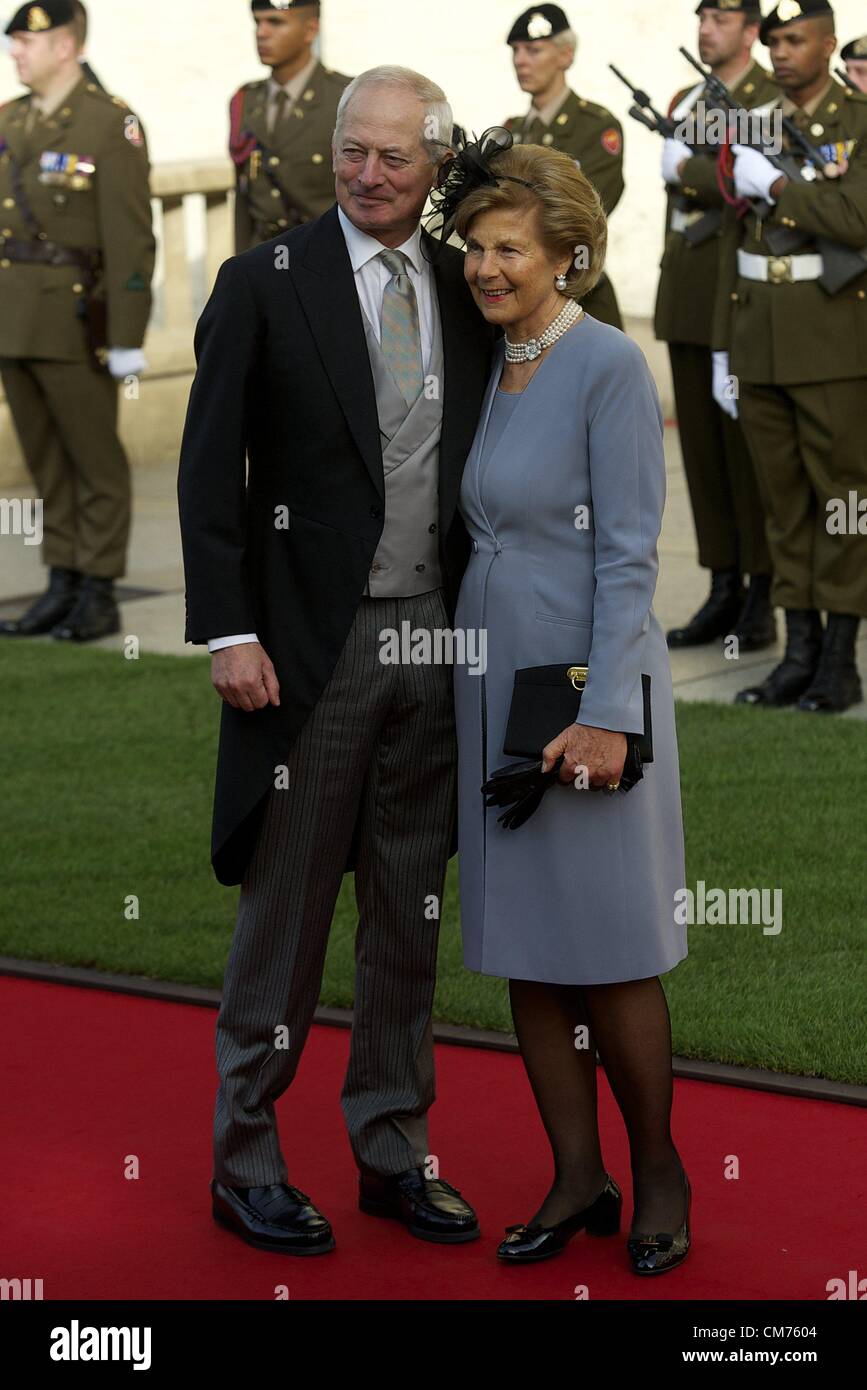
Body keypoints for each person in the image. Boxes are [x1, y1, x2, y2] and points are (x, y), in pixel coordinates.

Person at [177, 66, 493, 1256]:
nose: (366, 173)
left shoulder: (468, 285)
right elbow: (210, 476)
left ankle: (394, 1149)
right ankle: (245, 1160)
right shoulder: (261, 284)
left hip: (440, 644)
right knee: (288, 913)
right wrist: (230, 629)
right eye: (353, 150)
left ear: (436, 165)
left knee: (408, 911)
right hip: (311, 652)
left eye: (395, 158)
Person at [445, 134, 691, 1275]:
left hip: (588, 684)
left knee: (609, 942)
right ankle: (574, 1171)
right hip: (490, 679)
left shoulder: (608, 366)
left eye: (508, 249)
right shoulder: (490, 361)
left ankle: (658, 1173)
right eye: (475, 247)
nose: (486, 268)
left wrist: (604, 712)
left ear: (568, 257)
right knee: (532, 948)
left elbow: (630, 559)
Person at [712, 0, 867, 713]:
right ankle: (795, 654)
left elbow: (856, 221)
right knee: (782, 505)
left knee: (842, 501)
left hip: (830, 338)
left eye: (794, 38)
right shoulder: (751, 122)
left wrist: (776, 185)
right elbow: (727, 247)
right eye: (771, 40)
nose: (780, 51)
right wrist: (722, 343)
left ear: (827, 44)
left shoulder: (857, 121)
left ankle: (839, 659)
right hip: (757, 335)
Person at [0, 0, 154, 642]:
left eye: (26, 44)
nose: (15, 53)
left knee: (94, 461)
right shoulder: (10, 120)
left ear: (65, 46)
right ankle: (61, 577)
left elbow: (131, 239)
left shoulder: (107, 124)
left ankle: (99, 587)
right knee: (45, 460)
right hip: (14, 318)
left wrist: (126, 336)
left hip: (74, 321)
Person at [657, 1, 779, 652]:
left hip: (737, 297)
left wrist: (685, 169)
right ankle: (721, 584)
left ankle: (762, 594)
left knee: (746, 455)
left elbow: (748, 182)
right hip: (685, 291)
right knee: (702, 456)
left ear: (751, 31)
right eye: (701, 16)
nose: (706, 27)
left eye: (722, 17)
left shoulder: (768, 97)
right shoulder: (686, 96)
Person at [503, 3, 625, 329]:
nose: (520, 60)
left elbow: (585, 213)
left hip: (577, 292)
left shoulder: (596, 127)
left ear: (565, 55)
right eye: (516, 50)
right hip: (518, 296)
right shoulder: (512, 131)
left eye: (533, 50)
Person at [230, 0, 351, 252]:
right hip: (263, 260)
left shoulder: (346, 99)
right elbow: (244, 203)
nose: (261, 33)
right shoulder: (247, 101)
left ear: (310, 29)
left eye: (275, 22)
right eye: (257, 22)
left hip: (325, 255)